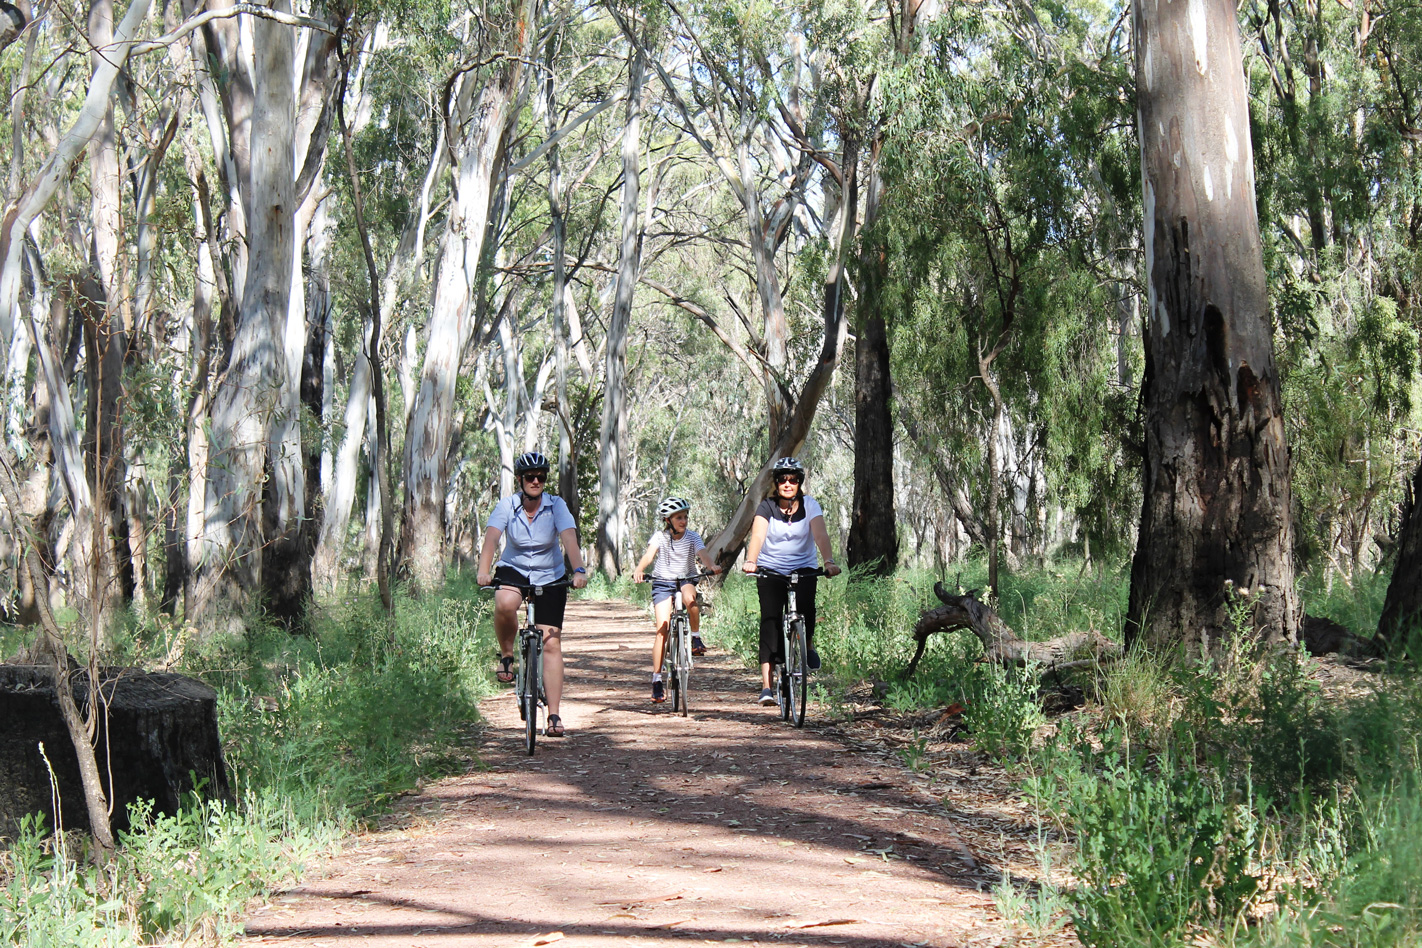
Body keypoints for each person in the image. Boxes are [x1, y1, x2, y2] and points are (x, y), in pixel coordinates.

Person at [476, 451, 589, 737]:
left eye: (541, 477)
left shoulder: (556, 506)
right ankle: (506, 656)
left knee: (551, 643)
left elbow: (568, 538)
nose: (536, 481)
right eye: (530, 477)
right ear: (520, 480)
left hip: (549, 573)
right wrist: (483, 570)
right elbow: (491, 537)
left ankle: (553, 714)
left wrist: (578, 569)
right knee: (504, 602)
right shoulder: (507, 506)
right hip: (514, 569)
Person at [741, 457, 841, 705]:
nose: (788, 483)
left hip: (803, 568)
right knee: (770, 621)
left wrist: (828, 562)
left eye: (793, 479)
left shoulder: (810, 505)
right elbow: (757, 536)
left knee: (806, 608)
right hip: (771, 570)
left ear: (799, 483)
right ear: (776, 483)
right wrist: (751, 560)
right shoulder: (767, 506)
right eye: (783, 479)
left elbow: (820, 534)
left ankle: (807, 646)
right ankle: (767, 686)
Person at [631, 496, 723, 703]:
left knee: (691, 600)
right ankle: (656, 680)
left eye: (685, 517)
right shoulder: (660, 537)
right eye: (679, 517)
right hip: (663, 582)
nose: (683, 521)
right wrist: (639, 569)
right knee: (662, 628)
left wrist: (711, 566)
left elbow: (703, 554)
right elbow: (649, 556)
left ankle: (696, 637)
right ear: (668, 520)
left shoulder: (692, 537)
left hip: (686, 578)